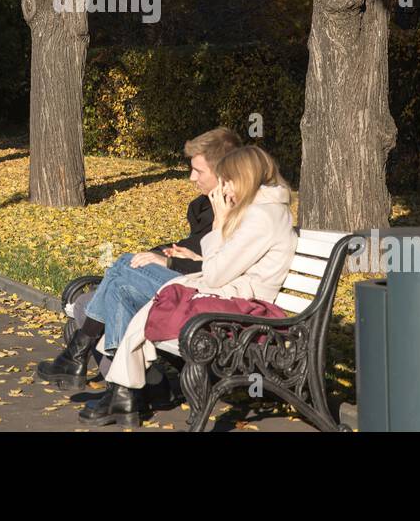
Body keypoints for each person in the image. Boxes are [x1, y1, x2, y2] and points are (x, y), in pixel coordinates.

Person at [79, 144, 297, 427]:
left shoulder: (262, 217)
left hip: (237, 306)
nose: (222, 187)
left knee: (124, 267)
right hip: (225, 291)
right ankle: (122, 391)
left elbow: (217, 273)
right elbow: (222, 264)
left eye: (227, 180)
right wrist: (202, 251)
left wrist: (219, 222)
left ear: (244, 178)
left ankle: (90, 361)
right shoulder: (262, 210)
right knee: (122, 284)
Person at [36, 127, 242, 390]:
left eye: (198, 171)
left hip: (202, 295)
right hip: (185, 283)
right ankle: (128, 388)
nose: (191, 178)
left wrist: (168, 261)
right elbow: (195, 249)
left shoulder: (236, 209)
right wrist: (162, 254)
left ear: (223, 172)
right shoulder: (205, 205)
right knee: (100, 294)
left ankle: (114, 379)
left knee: (99, 293)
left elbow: (216, 267)